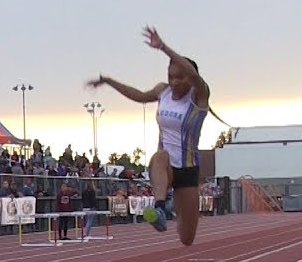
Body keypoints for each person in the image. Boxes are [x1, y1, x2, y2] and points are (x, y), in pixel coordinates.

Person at [87, 26, 219, 246]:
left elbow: (194, 75)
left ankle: (173, 210)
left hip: (187, 169)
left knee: (187, 238)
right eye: (171, 77)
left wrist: (163, 47)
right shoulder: (162, 91)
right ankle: (159, 207)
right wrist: (109, 81)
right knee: (159, 156)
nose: (174, 82)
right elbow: (138, 95)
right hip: (166, 166)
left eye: (180, 77)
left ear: (190, 78)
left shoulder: (199, 95)